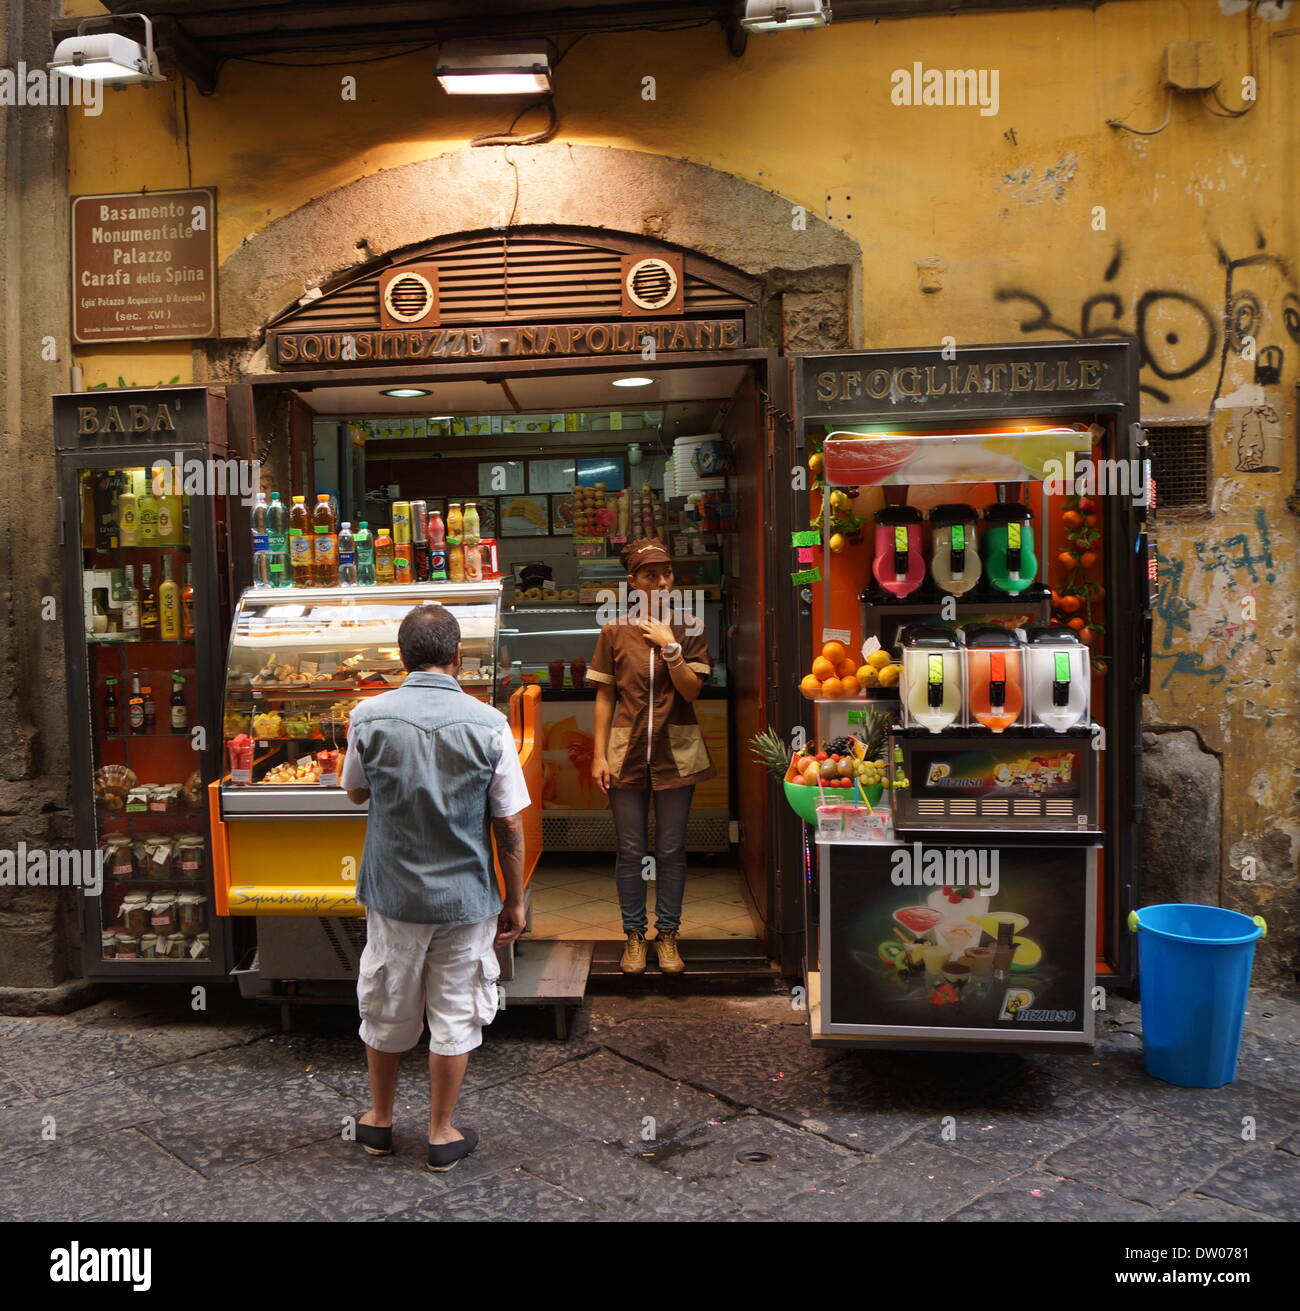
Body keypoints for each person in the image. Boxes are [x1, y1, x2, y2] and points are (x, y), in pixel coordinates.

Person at [341, 603, 529, 1171]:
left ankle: (378, 1122)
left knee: (387, 1002)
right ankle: (442, 1133)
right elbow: (509, 823)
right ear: (458, 656)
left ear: (402, 658)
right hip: (466, 896)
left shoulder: (367, 716)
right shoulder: (491, 723)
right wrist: (514, 899)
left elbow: (354, 793)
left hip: (394, 895)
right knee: (456, 1011)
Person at [587, 538, 714, 974]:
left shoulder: (689, 628)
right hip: (624, 752)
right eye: (650, 574)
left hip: (676, 751)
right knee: (630, 850)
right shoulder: (613, 631)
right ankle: (635, 936)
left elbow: (691, 690)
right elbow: (605, 697)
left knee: (672, 849)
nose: (661, 582)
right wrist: (599, 755)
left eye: (666, 573)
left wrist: (670, 646)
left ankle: (669, 935)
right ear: (632, 580)